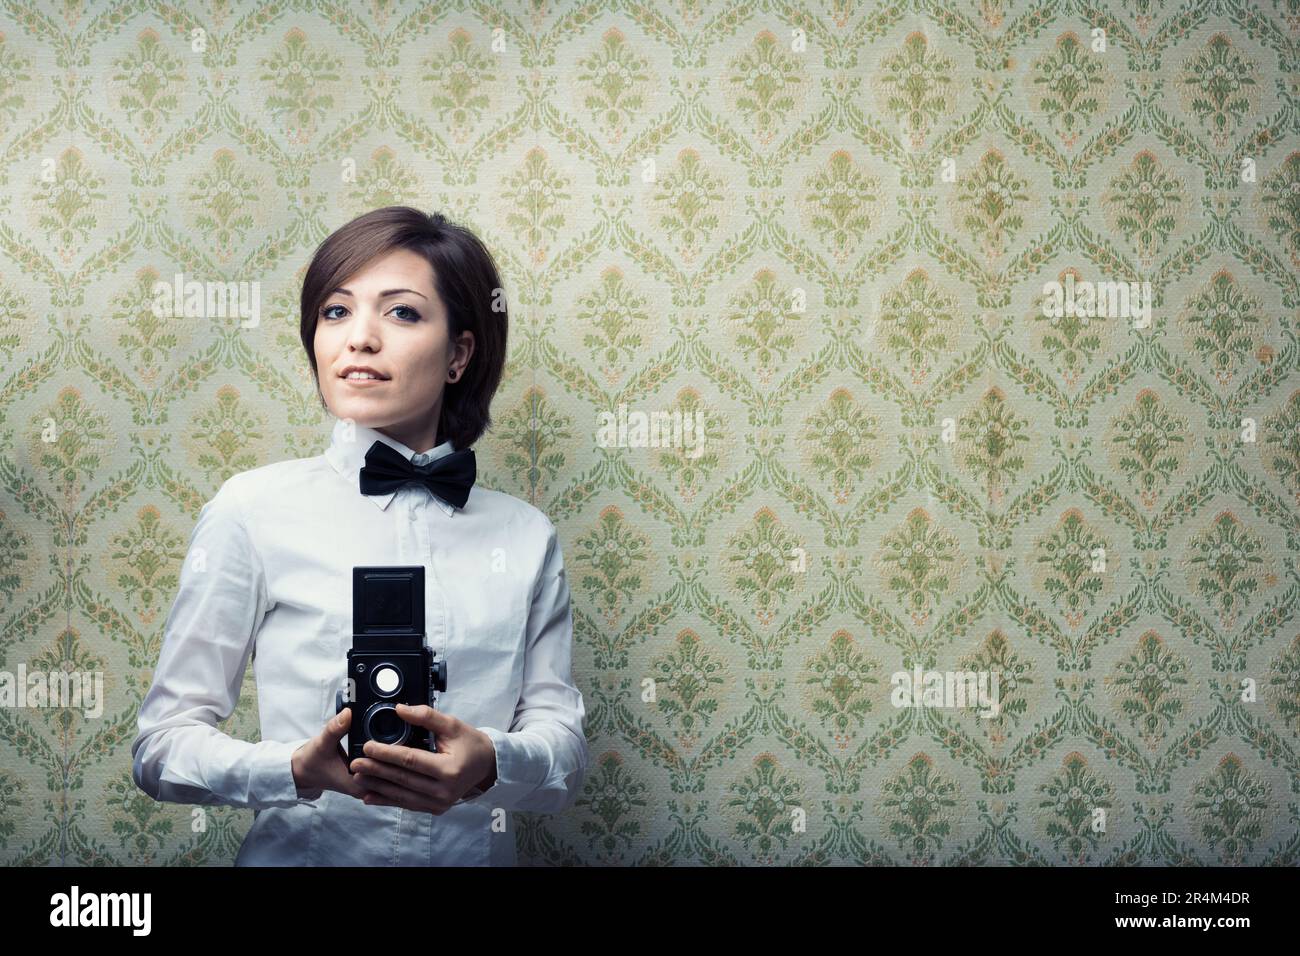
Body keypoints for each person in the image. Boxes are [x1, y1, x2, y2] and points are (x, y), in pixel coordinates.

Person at [131, 206, 588, 866]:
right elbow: (162, 746)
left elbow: (565, 760)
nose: (360, 339)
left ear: (459, 353)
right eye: (336, 312)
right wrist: (293, 770)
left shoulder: (525, 536)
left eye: (401, 312)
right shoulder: (250, 510)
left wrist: (491, 761)